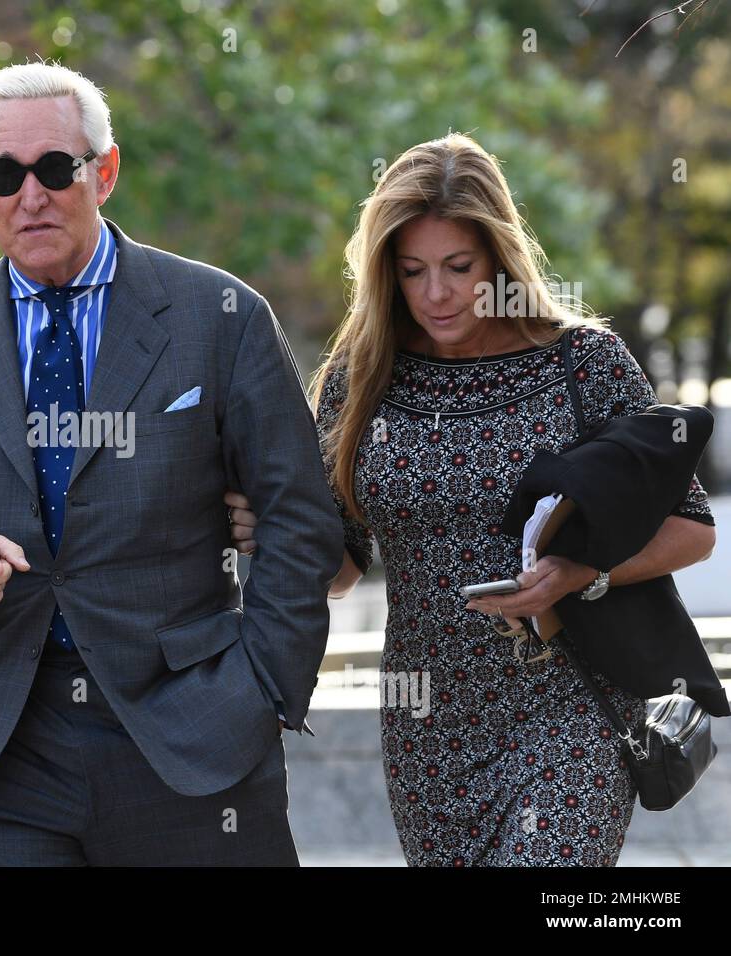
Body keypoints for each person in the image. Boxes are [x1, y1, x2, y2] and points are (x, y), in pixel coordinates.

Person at [0, 62, 344, 866]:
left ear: (103, 171)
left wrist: (262, 690)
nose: (30, 195)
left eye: (54, 168)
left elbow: (299, 519)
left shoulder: (221, 317)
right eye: (4, 174)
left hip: (191, 734)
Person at [225, 133, 716, 866]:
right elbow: (342, 567)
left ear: (498, 257)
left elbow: (693, 528)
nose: (436, 293)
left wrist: (577, 573)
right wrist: (267, 533)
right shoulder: (358, 382)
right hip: (428, 717)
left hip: (570, 702)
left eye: (458, 267)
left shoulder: (582, 363)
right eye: (413, 270)